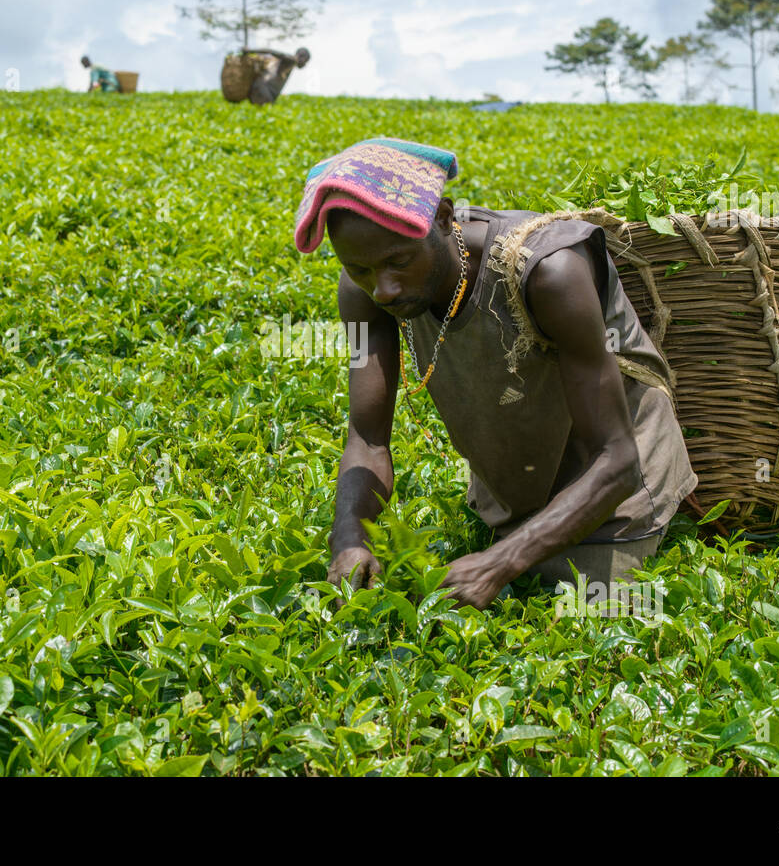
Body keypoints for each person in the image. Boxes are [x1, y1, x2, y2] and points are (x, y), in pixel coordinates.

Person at [292, 137, 698, 611]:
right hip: (515, 488)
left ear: (443, 219)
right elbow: (367, 438)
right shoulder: (367, 290)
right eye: (358, 268)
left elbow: (618, 459)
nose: (383, 288)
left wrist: (498, 563)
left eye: (399, 261)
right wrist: (349, 538)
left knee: (572, 609)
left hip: (615, 491)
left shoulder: (548, 271)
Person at [242, 47, 309, 105]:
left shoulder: (292, 63)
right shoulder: (291, 59)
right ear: (302, 57)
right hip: (263, 91)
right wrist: (250, 51)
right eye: (305, 61)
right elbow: (270, 51)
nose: (305, 64)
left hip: (267, 94)